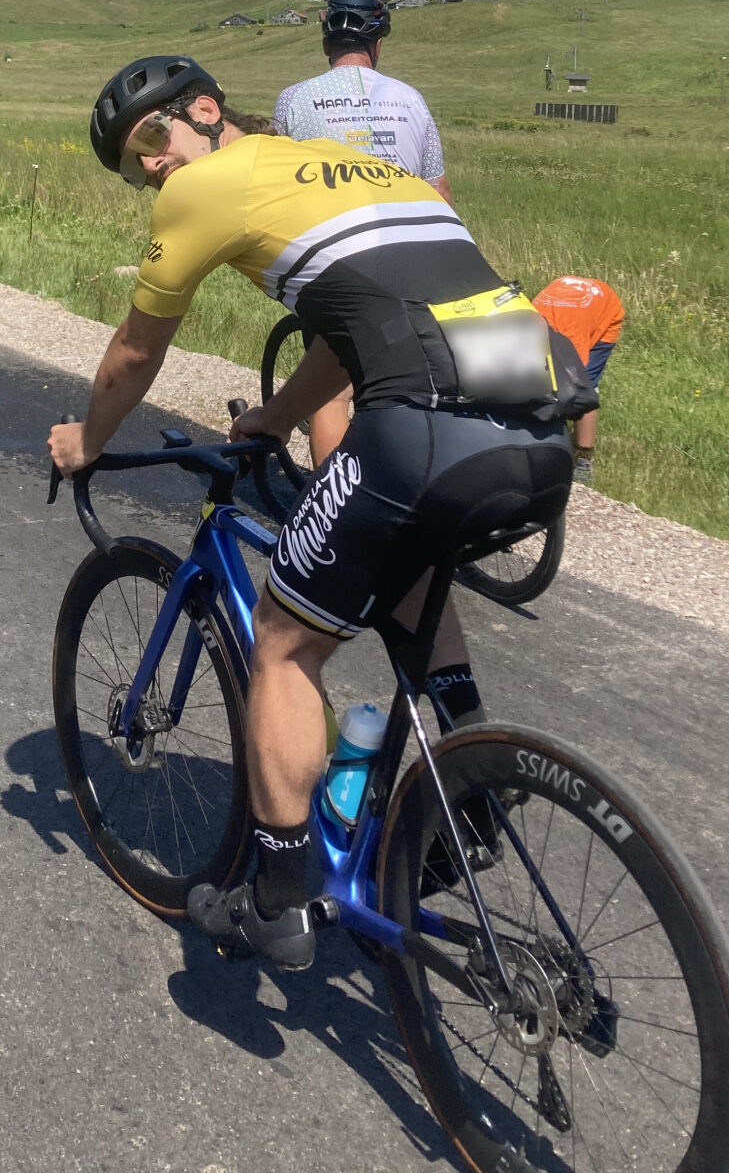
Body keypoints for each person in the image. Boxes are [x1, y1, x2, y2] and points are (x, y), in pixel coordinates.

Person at [48, 55, 574, 972]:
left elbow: (136, 351)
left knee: (286, 648)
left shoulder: (208, 186)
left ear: (205, 112)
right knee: (413, 565)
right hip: (539, 415)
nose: (153, 173)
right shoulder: (363, 170)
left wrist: (87, 441)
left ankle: (278, 900)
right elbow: (353, 324)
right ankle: (474, 777)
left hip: (426, 421)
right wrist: (279, 419)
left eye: (149, 144)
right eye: (138, 170)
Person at [273, 0, 453, 465]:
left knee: (331, 396)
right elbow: (440, 194)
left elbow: (280, 190)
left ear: (326, 45)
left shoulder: (294, 99)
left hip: (340, 263)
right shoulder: (412, 99)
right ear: (377, 46)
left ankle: (332, 522)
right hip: (420, 263)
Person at [533, 275, 625, 483]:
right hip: (568, 304)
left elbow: (577, 378)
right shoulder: (529, 318)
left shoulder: (572, 332)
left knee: (584, 389)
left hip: (604, 312)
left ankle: (583, 458)